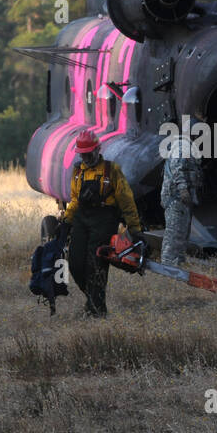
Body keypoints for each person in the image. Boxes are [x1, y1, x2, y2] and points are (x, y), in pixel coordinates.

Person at [60, 130, 143, 318]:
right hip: (82, 218)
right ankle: (92, 301)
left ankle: (97, 310)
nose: (86, 157)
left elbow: (126, 199)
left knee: (96, 264)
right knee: (75, 264)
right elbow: (74, 200)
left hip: (105, 219)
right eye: (82, 154)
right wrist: (66, 221)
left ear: (98, 149)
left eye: (89, 153)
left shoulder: (111, 170)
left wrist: (134, 228)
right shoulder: (77, 171)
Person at [160, 118, 204, 265]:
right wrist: (183, 190)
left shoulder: (189, 147)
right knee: (174, 234)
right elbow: (177, 170)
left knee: (182, 234)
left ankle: (177, 264)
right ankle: (167, 265)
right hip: (176, 198)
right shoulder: (182, 147)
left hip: (183, 199)